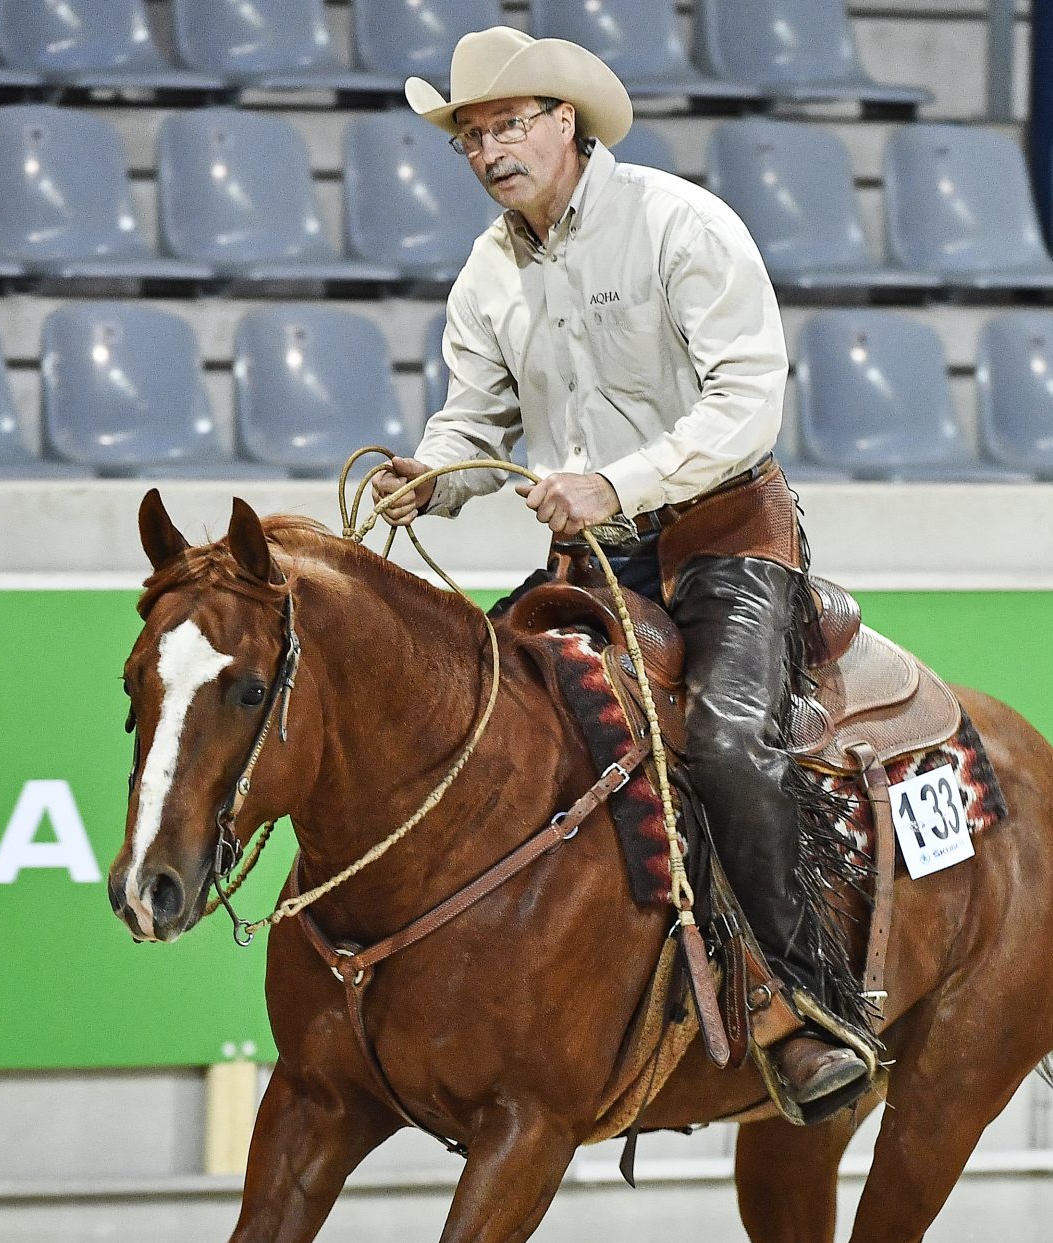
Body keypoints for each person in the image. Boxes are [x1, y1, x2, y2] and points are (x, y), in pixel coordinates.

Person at [370, 27, 878, 1116]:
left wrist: (616, 482)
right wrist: (437, 478)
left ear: (566, 122)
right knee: (476, 729)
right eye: (471, 133)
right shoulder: (490, 266)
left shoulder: (678, 223)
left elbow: (746, 403)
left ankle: (804, 1003)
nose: (489, 148)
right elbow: (476, 417)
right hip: (592, 559)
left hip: (725, 541)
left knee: (733, 743)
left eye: (509, 123)